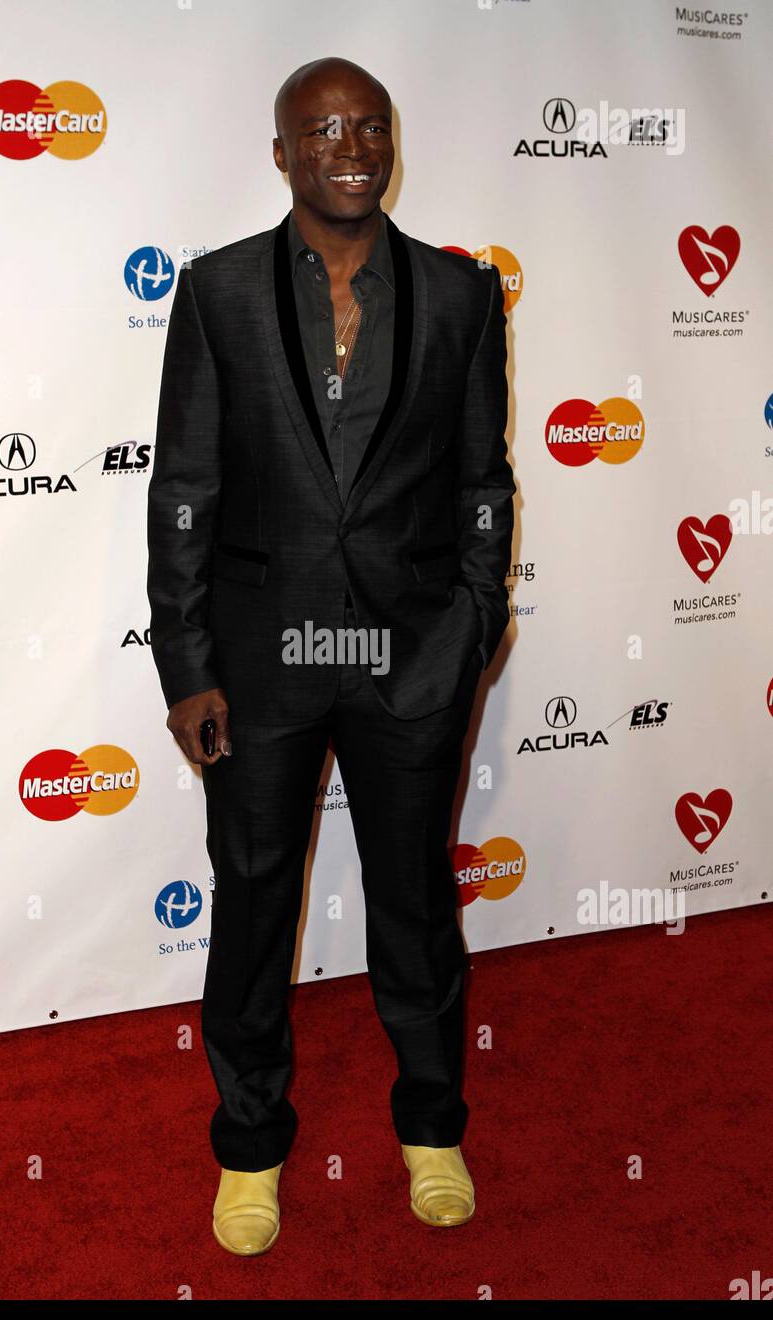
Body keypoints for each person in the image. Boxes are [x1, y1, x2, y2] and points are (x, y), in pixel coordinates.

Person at [147, 55, 515, 1256]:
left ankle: (430, 1126)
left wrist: (471, 625)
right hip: (259, 666)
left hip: (411, 657)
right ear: (281, 154)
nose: (349, 146)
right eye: (322, 131)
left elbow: (482, 481)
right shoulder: (217, 295)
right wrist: (187, 663)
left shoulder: (462, 295)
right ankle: (250, 1147)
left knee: (414, 904)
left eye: (368, 127)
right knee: (252, 905)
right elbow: (186, 489)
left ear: (392, 142)